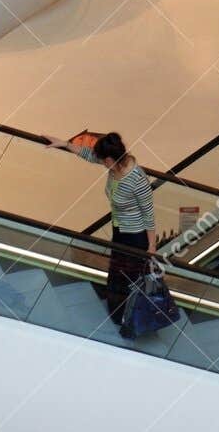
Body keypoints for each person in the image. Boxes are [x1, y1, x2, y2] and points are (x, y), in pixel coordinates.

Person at [49, 131, 156, 333]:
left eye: (103, 160)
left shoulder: (137, 179)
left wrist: (151, 246)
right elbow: (90, 155)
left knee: (129, 278)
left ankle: (131, 320)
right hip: (120, 229)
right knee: (117, 272)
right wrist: (64, 144)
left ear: (109, 159)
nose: (100, 162)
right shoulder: (115, 165)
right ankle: (117, 312)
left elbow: (148, 214)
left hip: (136, 236)